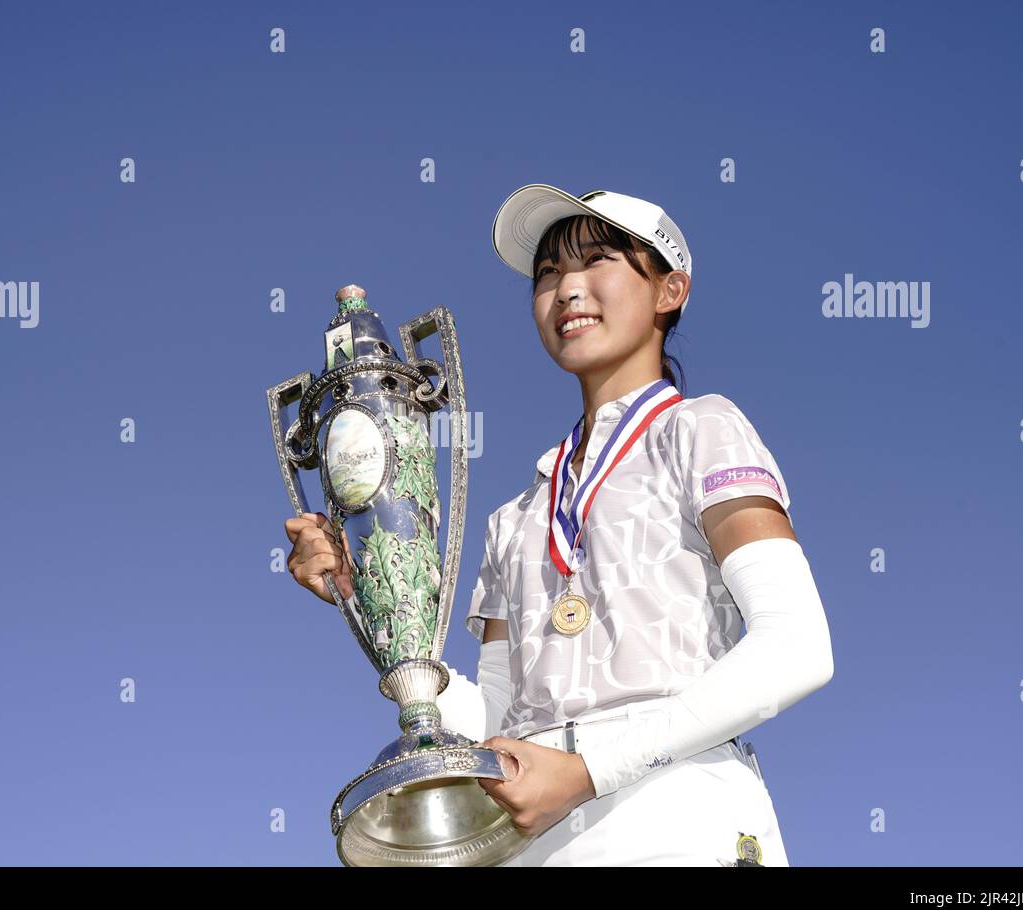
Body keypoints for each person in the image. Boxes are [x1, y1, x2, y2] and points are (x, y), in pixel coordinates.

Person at [284, 184, 834, 866]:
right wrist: (364, 595)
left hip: (682, 817)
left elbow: (797, 648)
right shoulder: (514, 517)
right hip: (538, 843)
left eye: (599, 260)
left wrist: (587, 770)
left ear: (670, 291)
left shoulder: (702, 430)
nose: (568, 288)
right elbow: (498, 722)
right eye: (548, 274)